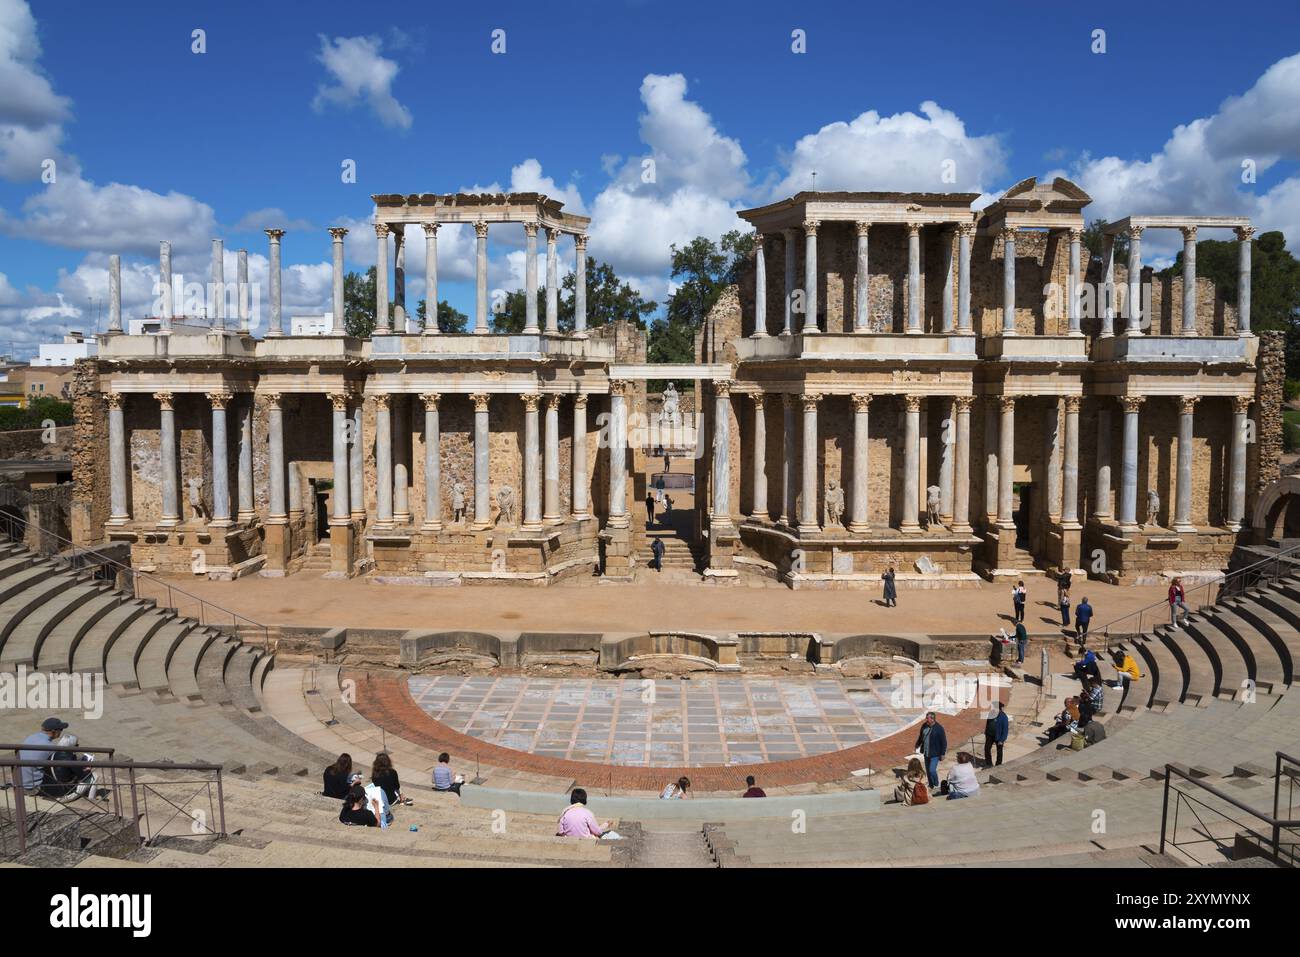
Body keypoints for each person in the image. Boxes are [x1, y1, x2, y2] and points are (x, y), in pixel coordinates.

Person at [18, 717, 68, 791]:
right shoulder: (49, 746)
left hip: (18, 782)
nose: (61, 732)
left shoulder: (31, 737)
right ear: (54, 731)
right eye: (60, 729)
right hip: (32, 787)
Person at [913, 712, 947, 789]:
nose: (926, 719)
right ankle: (931, 785)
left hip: (935, 754)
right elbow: (921, 737)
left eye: (927, 718)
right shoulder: (924, 726)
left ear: (932, 719)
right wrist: (917, 744)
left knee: (932, 770)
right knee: (928, 771)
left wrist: (942, 753)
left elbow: (944, 742)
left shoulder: (939, 728)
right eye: (926, 718)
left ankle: (936, 783)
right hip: (926, 752)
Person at [983, 703, 1009, 767]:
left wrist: (1002, 740)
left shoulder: (1004, 717)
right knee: (987, 749)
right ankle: (989, 763)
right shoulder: (991, 713)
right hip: (989, 735)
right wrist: (986, 732)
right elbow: (988, 723)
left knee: (999, 752)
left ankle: (998, 765)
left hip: (999, 737)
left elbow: (1005, 730)